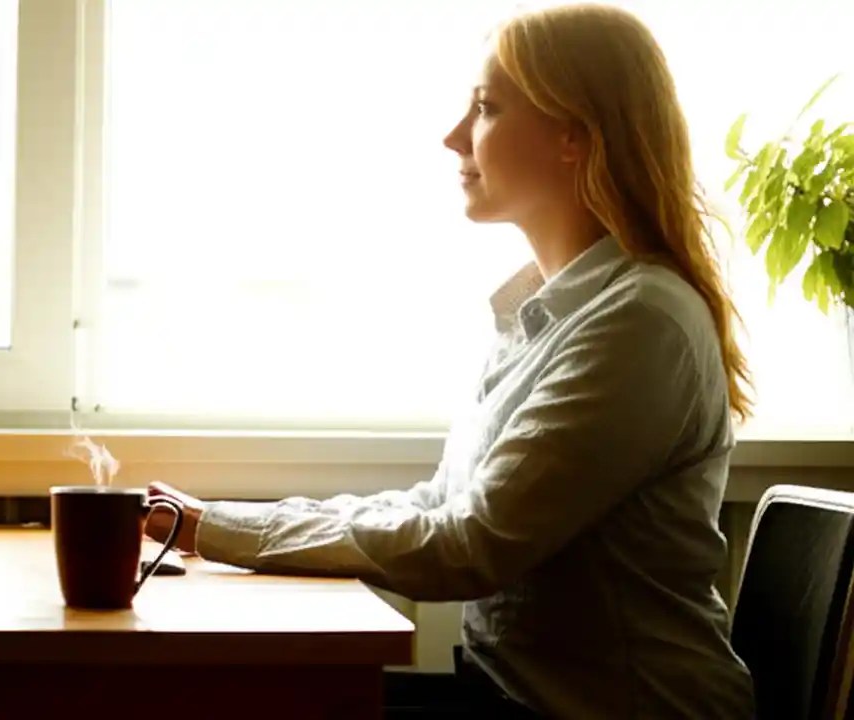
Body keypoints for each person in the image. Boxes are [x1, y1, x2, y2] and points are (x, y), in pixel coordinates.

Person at [143, 3, 757, 718]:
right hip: (510, 696)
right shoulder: (550, 314)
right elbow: (440, 506)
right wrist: (215, 521)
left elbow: (469, 545)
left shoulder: (640, 323)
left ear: (575, 135)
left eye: (487, 109)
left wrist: (215, 530)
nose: (454, 136)